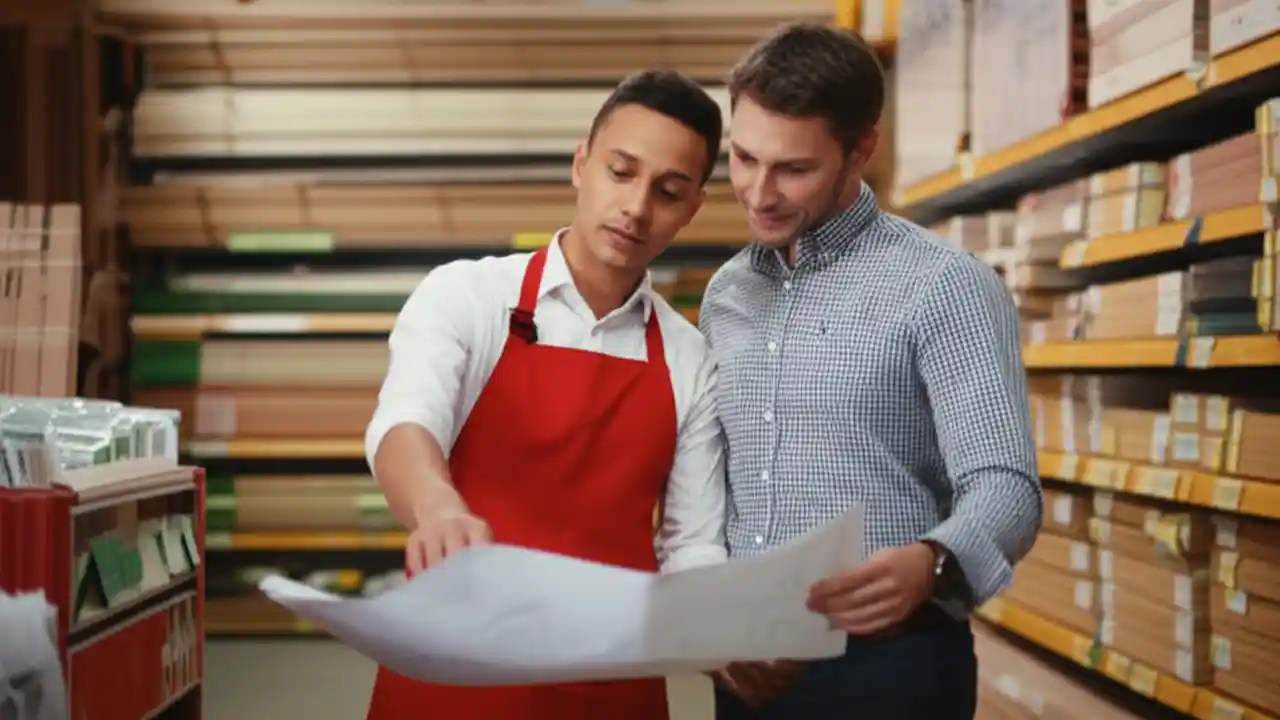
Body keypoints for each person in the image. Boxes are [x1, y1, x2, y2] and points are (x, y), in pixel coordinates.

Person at [361, 69, 730, 720]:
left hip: (610, 682)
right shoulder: (468, 297)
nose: (637, 207)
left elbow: (693, 543)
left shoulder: (688, 355)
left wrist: (722, 631)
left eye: (668, 191)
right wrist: (437, 506)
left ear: (693, 206)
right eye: (621, 172)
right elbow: (406, 423)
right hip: (455, 676)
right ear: (581, 166)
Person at [698, 22, 1043, 719]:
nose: (758, 193)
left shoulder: (944, 284)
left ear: (861, 150)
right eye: (742, 158)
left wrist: (935, 560)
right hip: (745, 671)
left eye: (793, 169)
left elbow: (1006, 485)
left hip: (889, 674)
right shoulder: (726, 295)